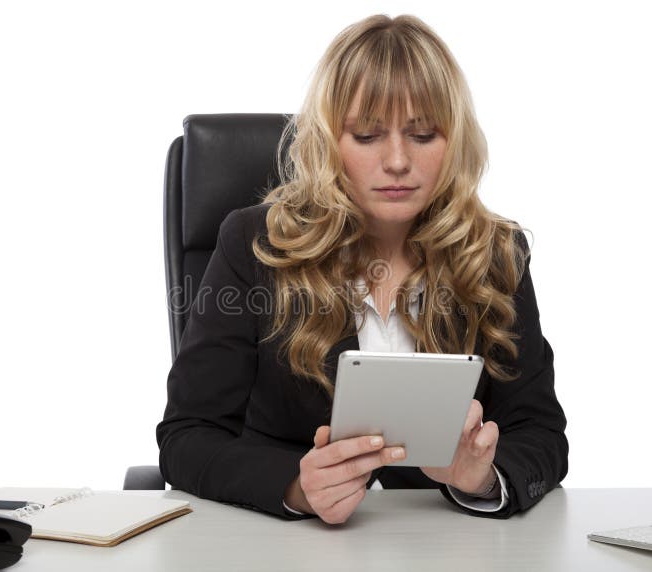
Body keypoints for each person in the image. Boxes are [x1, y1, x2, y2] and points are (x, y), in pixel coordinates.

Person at [156, 13, 567, 524]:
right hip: (293, 552)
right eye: (368, 135)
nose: (397, 161)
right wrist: (296, 486)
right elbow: (187, 437)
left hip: (449, 546)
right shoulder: (253, 244)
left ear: (453, 141)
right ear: (330, 143)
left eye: (422, 134)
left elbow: (542, 432)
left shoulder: (496, 255)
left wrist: (481, 477)